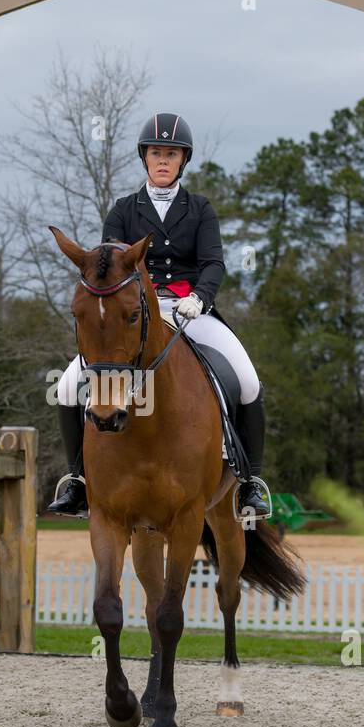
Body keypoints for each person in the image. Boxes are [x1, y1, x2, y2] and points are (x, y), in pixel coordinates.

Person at [47, 111, 270, 519]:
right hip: (134, 313)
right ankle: (78, 481)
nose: (163, 160)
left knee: (249, 380)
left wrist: (201, 298)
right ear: (145, 158)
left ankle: (251, 482)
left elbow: (213, 263)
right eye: (155, 153)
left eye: (171, 153)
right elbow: (107, 266)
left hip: (190, 310)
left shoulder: (200, 209)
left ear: (183, 160)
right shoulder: (123, 210)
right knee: (65, 388)